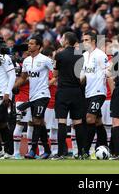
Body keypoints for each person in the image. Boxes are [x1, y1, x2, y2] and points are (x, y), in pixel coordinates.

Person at [13, 35, 53, 159]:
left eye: (31, 43)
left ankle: (32, 150)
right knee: (40, 122)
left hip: (43, 95)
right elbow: (24, 77)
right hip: (32, 96)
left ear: (38, 46)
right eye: (28, 43)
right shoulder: (26, 61)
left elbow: (56, 72)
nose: (29, 45)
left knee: (36, 120)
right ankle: (47, 150)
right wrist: (15, 86)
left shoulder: (45, 59)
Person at [51, 32, 87, 160]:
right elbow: (82, 75)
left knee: (62, 121)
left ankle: (61, 153)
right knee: (78, 122)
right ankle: (82, 152)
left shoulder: (59, 55)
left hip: (63, 91)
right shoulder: (80, 55)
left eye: (62, 37)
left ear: (66, 41)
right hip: (77, 91)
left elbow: (55, 73)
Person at [80, 31, 110, 155]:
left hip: (98, 92)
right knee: (97, 122)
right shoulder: (85, 55)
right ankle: (104, 147)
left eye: (86, 40)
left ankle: (85, 150)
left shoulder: (100, 55)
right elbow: (83, 74)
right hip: (88, 92)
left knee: (89, 118)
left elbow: (108, 71)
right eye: (83, 40)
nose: (84, 42)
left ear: (93, 41)